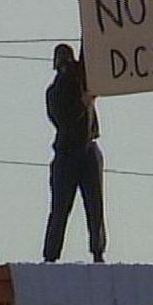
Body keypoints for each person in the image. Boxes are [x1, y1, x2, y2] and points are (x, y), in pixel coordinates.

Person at [43, 43, 106, 263]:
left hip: (88, 150)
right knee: (60, 208)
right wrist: (83, 103)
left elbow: (89, 44)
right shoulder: (53, 93)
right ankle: (51, 255)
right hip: (67, 153)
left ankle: (98, 252)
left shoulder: (82, 77)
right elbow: (64, 120)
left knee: (95, 207)